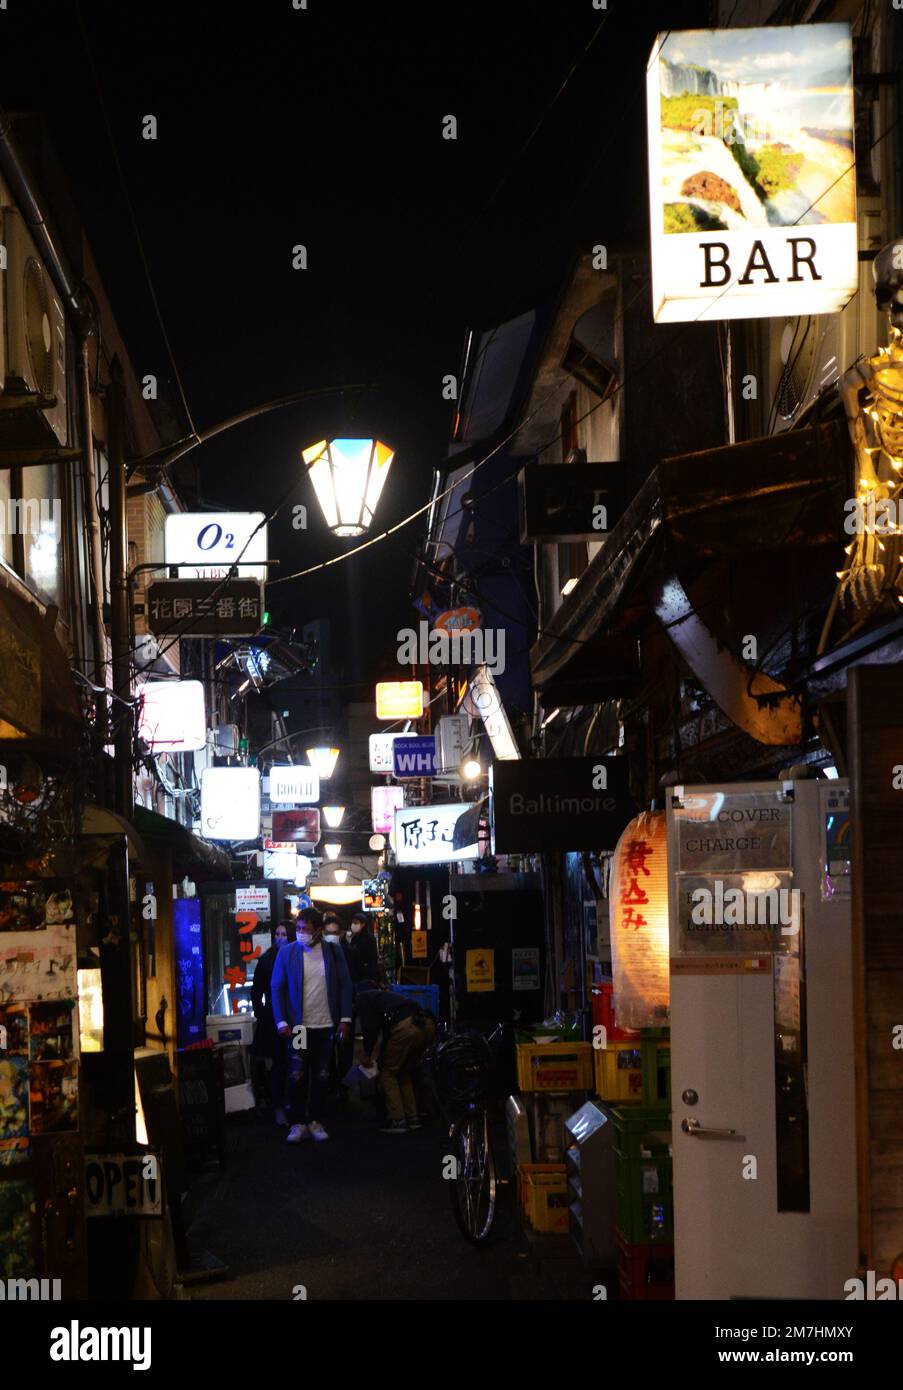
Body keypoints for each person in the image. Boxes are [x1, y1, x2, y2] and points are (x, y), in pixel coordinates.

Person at [271, 906, 353, 1143]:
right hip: (298, 1027)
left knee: (322, 1075)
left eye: (305, 929)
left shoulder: (333, 952)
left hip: (326, 1025)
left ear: (318, 930)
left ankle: (315, 1120)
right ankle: (297, 1122)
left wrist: (345, 1019)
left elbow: (345, 985)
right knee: (296, 1073)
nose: (300, 933)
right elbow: (277, 987)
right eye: (298, 929)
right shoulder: (287, 953)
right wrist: (281, 1020)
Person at [354, 982, 436, 1134]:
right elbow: (387, 1034)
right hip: (427, 1025)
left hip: (406, 1028)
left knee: (388, 1073)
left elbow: (369, 1027)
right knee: (403, 1072)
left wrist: (367, 1053)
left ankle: (397, 1120)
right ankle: (413, 1118)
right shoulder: (386, 998)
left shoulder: (363, 998)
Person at [250, 921, 290, 1124]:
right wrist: (262, 1015)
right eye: (277, 933)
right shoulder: (267, 959)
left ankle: (289, 1103)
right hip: (275, 1019)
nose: (280, 937)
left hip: (294, 1019)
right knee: (280, 1062)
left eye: (284, 934)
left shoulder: (297, 956)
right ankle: (279, 1105)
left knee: (294, 1060)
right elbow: (256, 991)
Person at [346, 913, 379, 984]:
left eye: (356, 923)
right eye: (352, 922)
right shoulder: (354, 938)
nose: (353, 925)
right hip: (355, 975)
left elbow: (372, 958)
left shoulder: (369, 938)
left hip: (366, 976)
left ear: (363, 924)